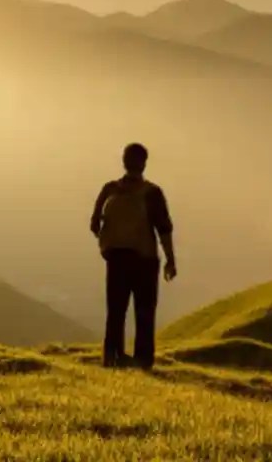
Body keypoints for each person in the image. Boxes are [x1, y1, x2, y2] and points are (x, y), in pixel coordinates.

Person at [90, 142, 177, 370]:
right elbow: (164, 229)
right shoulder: (152, 193)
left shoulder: (109, 189)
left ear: (123, 161)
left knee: (116, 310)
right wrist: (171, 259)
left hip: (116, 258)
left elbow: (94, 224)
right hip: (144, 259)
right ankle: (142, 361)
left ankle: (111, 357)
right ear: (144, 163)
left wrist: (110, 240)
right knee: (145, 311)